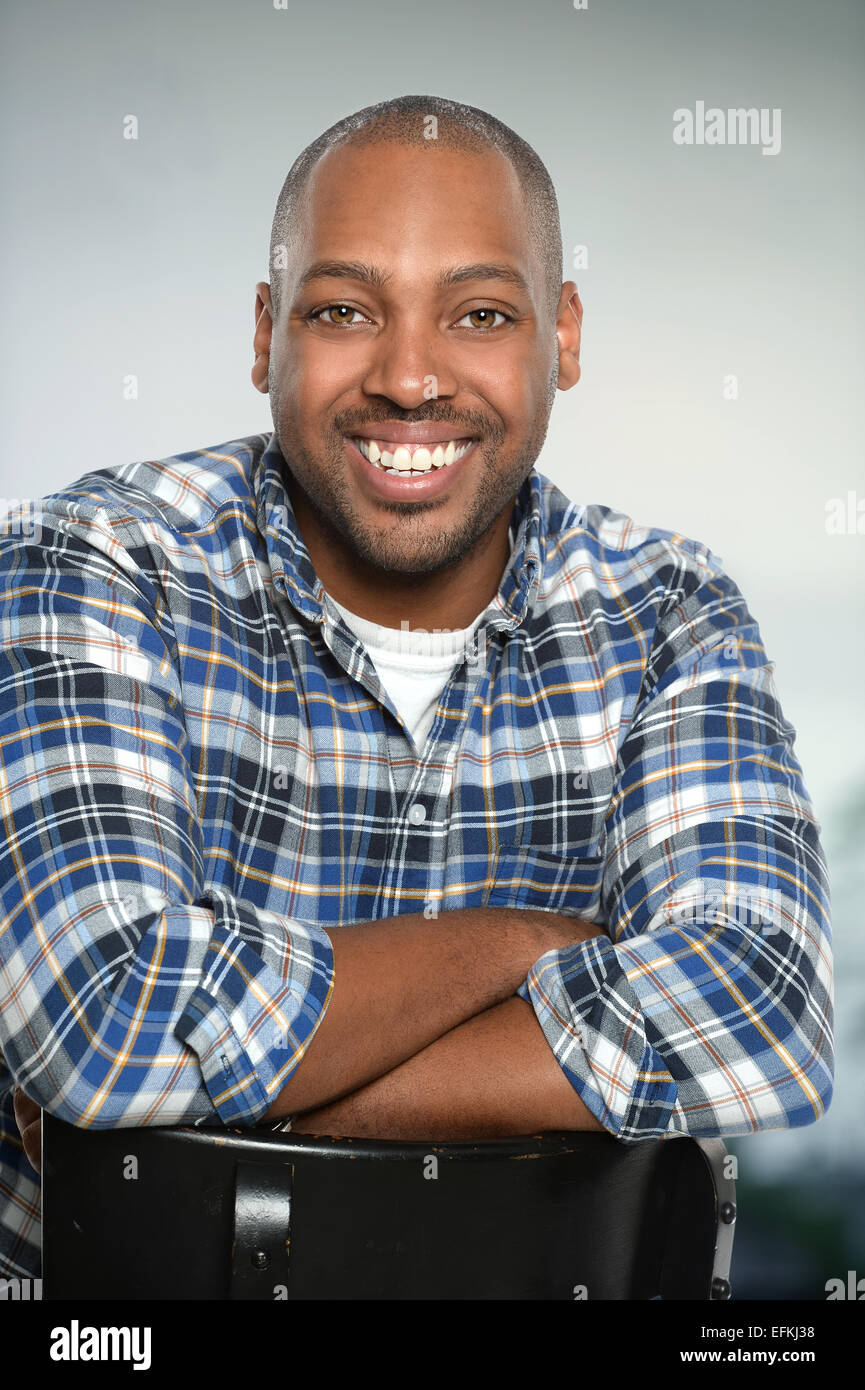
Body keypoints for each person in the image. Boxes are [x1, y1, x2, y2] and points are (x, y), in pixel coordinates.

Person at [0, 95, 833, 1283]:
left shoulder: (670, 612)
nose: (407, 377)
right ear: (262, 334)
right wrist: (530, 945)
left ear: (563, 336)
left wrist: (183, 1110)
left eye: (480, 313)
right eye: (343, 310)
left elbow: (765, 1016)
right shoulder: (89, 563)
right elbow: (110, 1015)